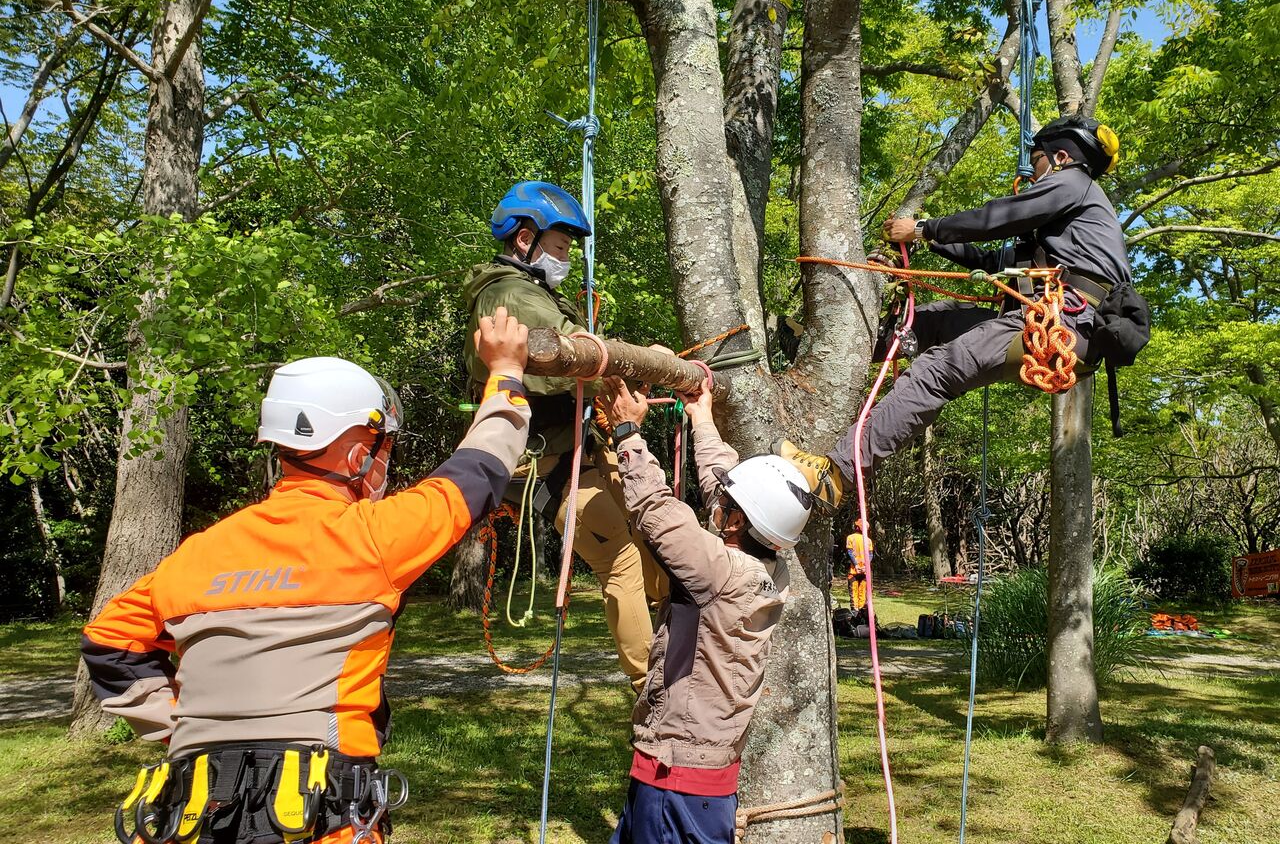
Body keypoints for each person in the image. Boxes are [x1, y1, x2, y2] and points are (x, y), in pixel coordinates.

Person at [81, 309, 531, 844]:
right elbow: (479, 468)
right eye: (385, 446)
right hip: (321, 819)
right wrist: (506, 372)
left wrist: (181, 730)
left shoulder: (196, 554)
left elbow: (108, 642)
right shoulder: (373, 538)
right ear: (362, 452)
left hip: (194, 818)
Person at [778, 116, 1132, 509]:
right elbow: (994, 256)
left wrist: (925, 229)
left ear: (1060, 157)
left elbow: (999, 217)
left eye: (1037, 164)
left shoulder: (1073, 182)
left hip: (1059, 321)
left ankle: (837, 474)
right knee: (933, 319)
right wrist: (930, 240)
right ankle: (837, 346)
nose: (1034, 176)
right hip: (1056, 321)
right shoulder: (1073, 224)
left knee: (935, 372)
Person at [463, 179, 664, 692]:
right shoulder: (511, 295)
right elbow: (573, 357)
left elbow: (586, 353)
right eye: (559, 246)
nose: (567, 257)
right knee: (619, 556)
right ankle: (653, 688)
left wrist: (640, 364)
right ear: (525, 240)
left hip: (576, 448)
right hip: (544, 463)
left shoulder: (532, 293)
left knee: (654, 535)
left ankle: (671, 643)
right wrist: (635, 369)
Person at [598, 374, 814, 844]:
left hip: (673, 781)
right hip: (702, 780)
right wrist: (701, 416)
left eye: (728, 508)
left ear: (736, 522)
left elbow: (657, 511)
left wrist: (628, 435)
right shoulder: (769, 567)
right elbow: (726, 490)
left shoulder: (720, 574)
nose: (719, 507)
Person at [847, 528, 873, 619]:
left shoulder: (850, 537)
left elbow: (850, 553)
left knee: (853, 592)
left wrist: (856, 565)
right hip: (865, 571)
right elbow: (870, 555)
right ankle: (862, 613)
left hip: (853, 570)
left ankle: (855, 612)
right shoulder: (868, 540)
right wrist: (865, 566)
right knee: (863, 592)